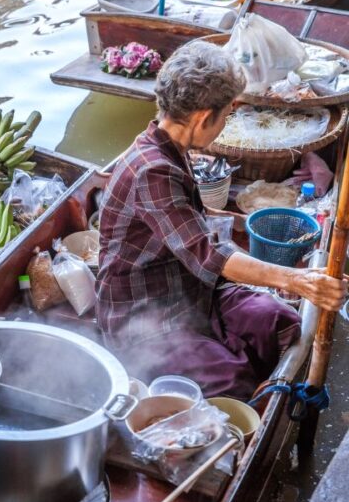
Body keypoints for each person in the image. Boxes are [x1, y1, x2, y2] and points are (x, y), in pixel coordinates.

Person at [96, 41, 346, 400]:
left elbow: (197, 231)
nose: (226, 123)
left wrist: (295, 277)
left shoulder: (169, 147)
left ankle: (244, 368)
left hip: (192, 290)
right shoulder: (152, 170)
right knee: (235, 383)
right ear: (202, 118)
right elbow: (209, 255)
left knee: (279, 323)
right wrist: (297, 279)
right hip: (146, 320)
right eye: (226, 115)